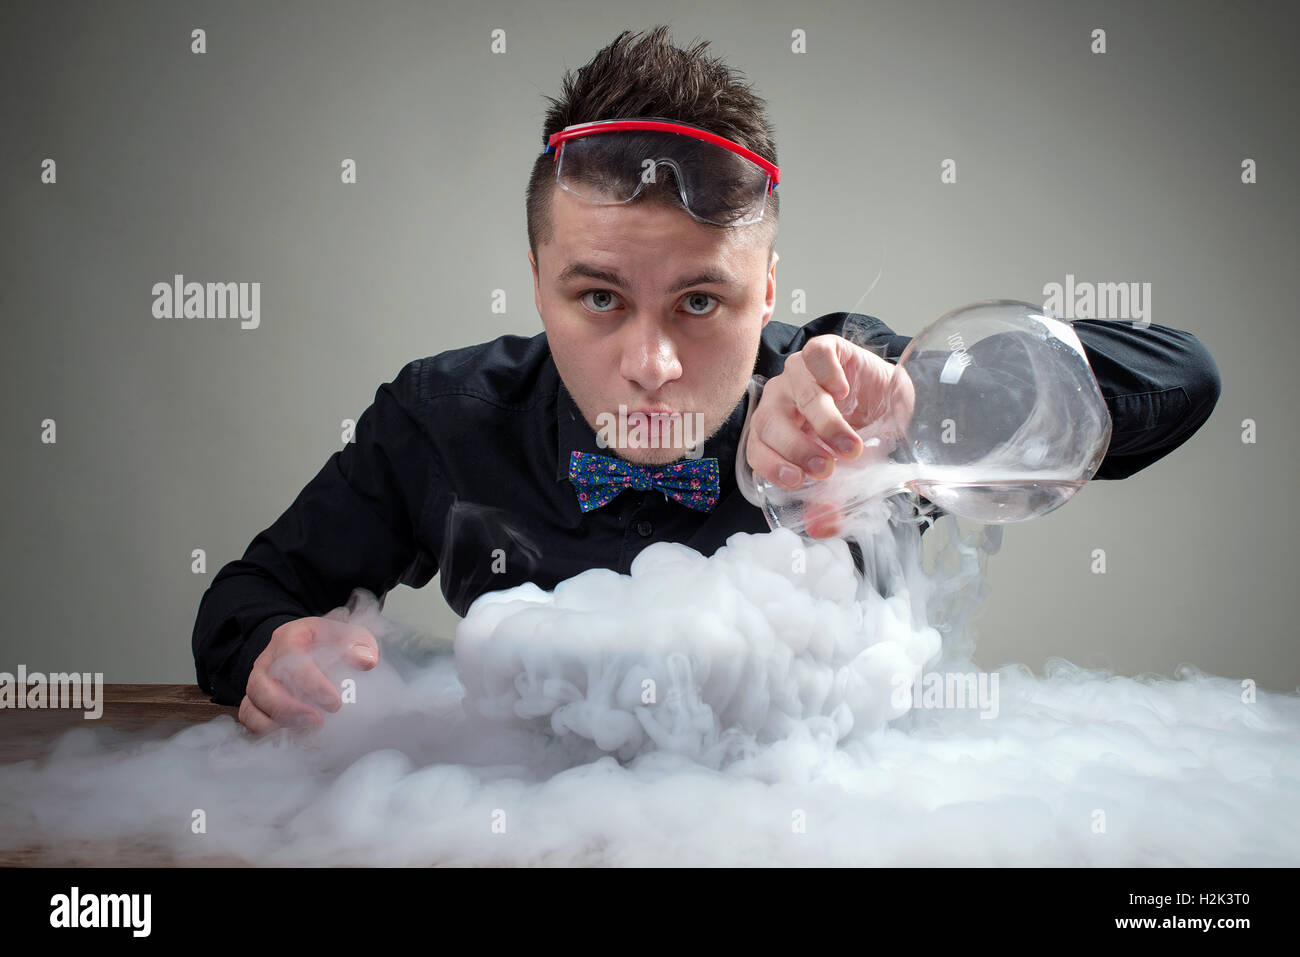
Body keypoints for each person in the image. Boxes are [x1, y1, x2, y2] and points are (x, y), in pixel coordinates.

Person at [192, 27, 1221, 734]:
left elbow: (1186, 377)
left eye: (700, 302)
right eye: (597, 298)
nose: (651, 365)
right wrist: (270, 654)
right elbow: (244, 601)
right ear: (538, 281)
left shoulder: (851, 396)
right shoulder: (441, 420)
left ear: (766, 288)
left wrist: (922, 413)